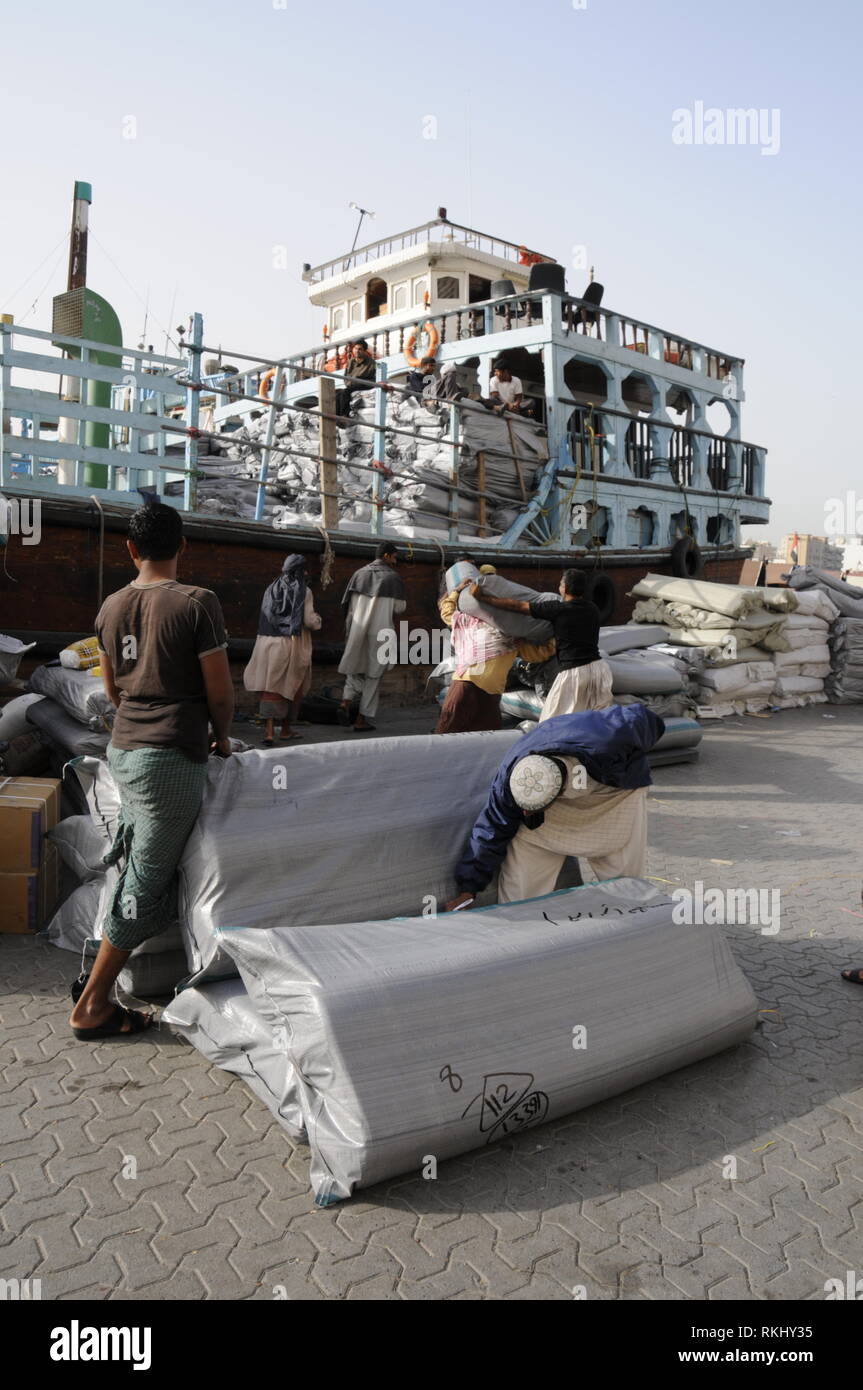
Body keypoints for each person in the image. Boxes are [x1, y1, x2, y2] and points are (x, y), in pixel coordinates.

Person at [70, 501, 233, 1040]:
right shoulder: (198, 602)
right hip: (170, 758)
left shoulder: (110, 606)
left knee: (136, 860)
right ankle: (93, 1005)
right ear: (182, 545)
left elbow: (112, 690)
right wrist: (223, 735)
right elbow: (219, 691)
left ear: (131, 549)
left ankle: (93, 975)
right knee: (147, 877)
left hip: (126, 750)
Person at [444, 704, 664, 911]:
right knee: (521, 896)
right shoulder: (511, 780)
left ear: (556, 793)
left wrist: (637, 754)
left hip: (613, 800)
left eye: (530, 809)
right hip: (549, 821)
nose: (526, 812)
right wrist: (469, 888)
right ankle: (523, 931)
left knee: (626, 888)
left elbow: (644, 719)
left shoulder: (609, 740)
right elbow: (490, 830)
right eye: (526, 809)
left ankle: (634, 928)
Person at [470, 568, 612, 719]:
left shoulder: (558, 609)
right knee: (595, 719)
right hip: (599, 669)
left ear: (564, 588)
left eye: (561, 584)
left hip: (574, 673)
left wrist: (483, 598)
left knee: (551, 719)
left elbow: (518, 606)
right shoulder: (593, 609)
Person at [436, 571, 554, 734]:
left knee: (462, 734)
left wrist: (456, 591)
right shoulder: (511, 636)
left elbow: (446, 611)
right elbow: (539, 654)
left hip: (477, 689)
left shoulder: (472, 624)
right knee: (467, 736)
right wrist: (556, 638)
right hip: (478, 690)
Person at [243, 554, 322, 745]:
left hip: (266, 643)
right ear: (302, 571)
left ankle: (269, 732)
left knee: (270, 687)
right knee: (294, 686)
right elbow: (309, 621)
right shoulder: (305, 591)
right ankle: (286, 730)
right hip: (291, 644)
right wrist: (318, 620)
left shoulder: (270, 588)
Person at [338, 541, 406, 731]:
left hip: (356, 630)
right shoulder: (393, 578)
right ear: (386, 556)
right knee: (373, 676)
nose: (396, 560)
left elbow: (348, 607)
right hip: (380, 632)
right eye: (394, 556)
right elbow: (400, 608)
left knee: (354, 669)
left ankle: (345, 702)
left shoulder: (359, 574)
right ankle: (361, 719)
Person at [335, 339, 376, 418]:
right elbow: (346, 376)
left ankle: (345, 415)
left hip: (364, 384)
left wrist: (356, 382)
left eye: (360, 349)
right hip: (352, 385)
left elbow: (370, 377)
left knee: (345, 392)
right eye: (356, 349)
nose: (357, 351)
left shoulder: (370, 363)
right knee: (337, 393)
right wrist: (349, 384)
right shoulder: (350, 362)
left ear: (364, 351)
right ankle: (336, 417)